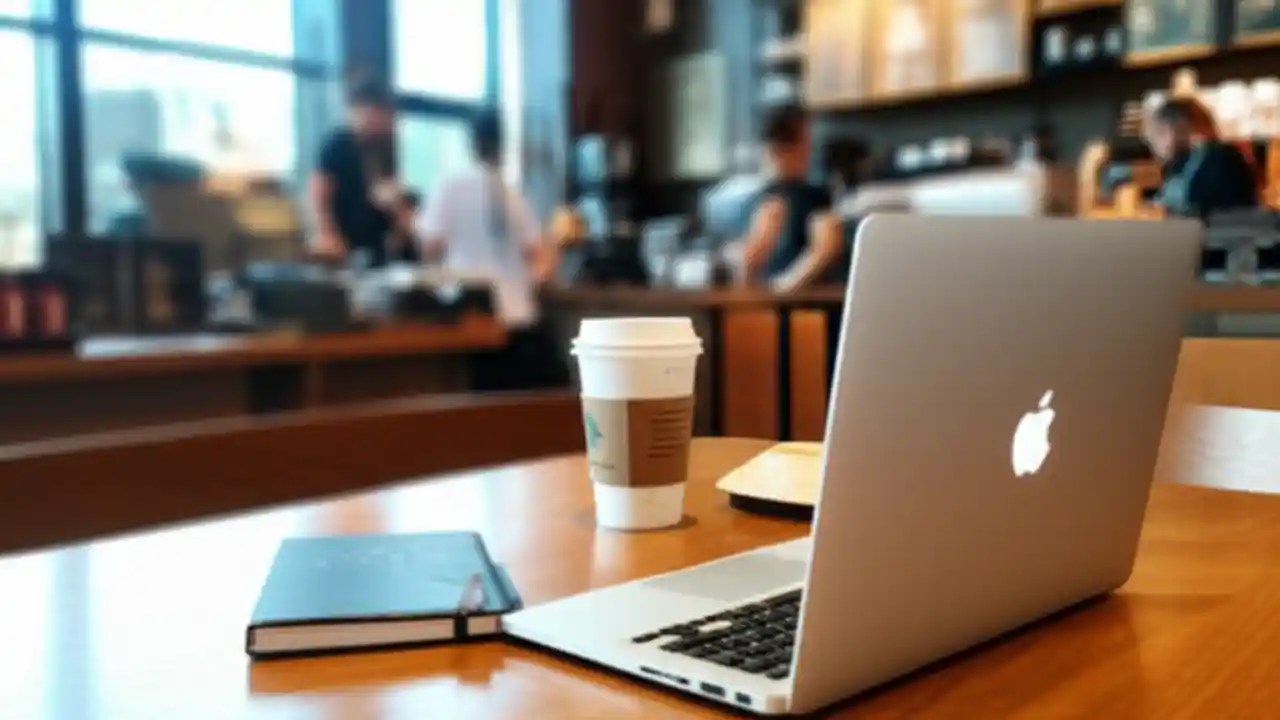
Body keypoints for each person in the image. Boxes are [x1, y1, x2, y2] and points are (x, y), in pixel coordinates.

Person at [417, 111, 563, 391]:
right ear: (502, 145)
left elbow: (430, 247)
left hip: (473, 321)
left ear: (470, 143)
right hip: (521, 320)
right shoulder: (513, 193)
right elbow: (542, 258)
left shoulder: (451, 185)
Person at [737, 105, 844, 292]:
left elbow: (826, 247)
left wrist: (777, 289)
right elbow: (827, 246)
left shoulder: (775, 197)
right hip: (797, 307)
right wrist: (781, 288)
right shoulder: (807, 197)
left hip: (788, 305)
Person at [309, 80, 400, 266]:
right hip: (342, 243)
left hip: (374, 244)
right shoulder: (338, 143)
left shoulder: (381, 147)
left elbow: (384, 193)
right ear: (358, 110)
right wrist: (327, 233)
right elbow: (319, 192)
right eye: (378, 114)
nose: (383, 121)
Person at [1148, 98, 1259, 217]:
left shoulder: (1217, 159)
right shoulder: (1180, 164)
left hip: (1221, 233)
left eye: (1159, 133)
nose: (1153, 143)